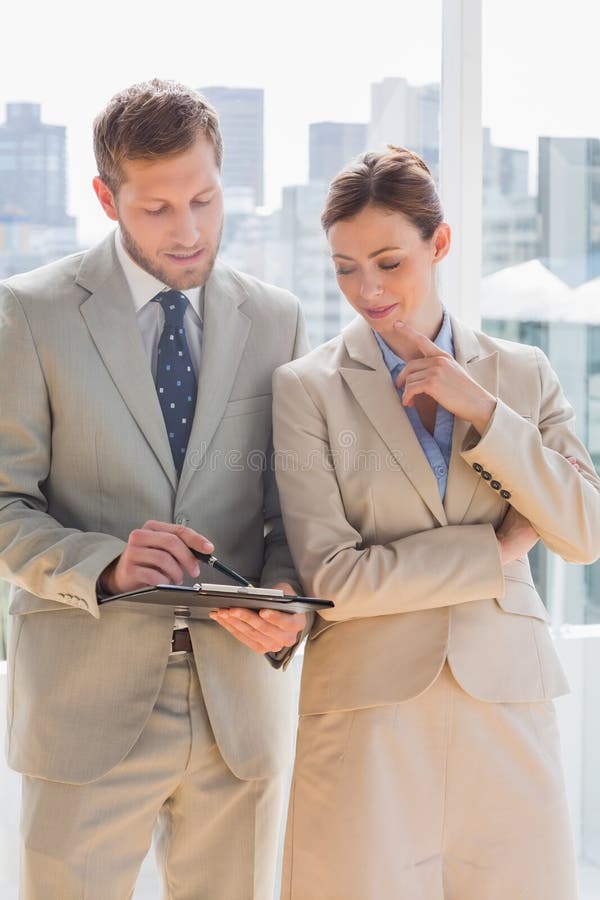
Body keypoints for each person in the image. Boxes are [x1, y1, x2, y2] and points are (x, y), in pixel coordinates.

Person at [0, 79, 310, 900]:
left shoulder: (276, 319)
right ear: (106, 197)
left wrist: (283, 591)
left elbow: (289, 508)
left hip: (238, 710)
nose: (189, 231)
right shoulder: (30, 314)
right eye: (157, 209)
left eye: (205, 200)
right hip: (83, 704)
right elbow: (4, 502)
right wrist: (104, 565)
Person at [272, 146, 600, 900]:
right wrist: (497, 548)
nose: (368, 288)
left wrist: (483, 410)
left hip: (506, 703)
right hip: (365, 714)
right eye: (345, 267)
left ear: (439, 243)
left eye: (389, 261)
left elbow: (583, 532)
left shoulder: (522, 375)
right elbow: (335, 578)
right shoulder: (307, 389)